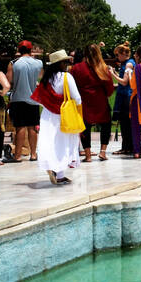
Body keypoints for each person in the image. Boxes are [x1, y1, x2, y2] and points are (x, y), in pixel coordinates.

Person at [31, 48, 84, 184]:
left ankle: (56, 171)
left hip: (48, 115)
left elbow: (40, 99)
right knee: (64, 144)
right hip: (64, 115)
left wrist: (50, 106)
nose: (67, 64)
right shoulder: (67, 77)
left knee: (50, 143)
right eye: (65, 62)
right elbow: (77, 98)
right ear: (60, 63)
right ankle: (59, 173)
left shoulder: (46, 79)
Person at [72, 43, 115, 163]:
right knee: (106, 125)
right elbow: (110, 88)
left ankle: (88, 155)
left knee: (85, 127)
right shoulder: (103, 68)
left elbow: (72, 85)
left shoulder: (76, 68)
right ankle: (102, 152)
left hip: (84, 101)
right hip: (100, 100)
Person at [7, 40, 43, 162]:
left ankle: (17, 156)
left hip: (18, 98)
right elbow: (40, 77)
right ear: (30, 50)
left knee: (20, 127)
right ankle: (33, 154)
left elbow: (9, 81)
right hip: (33, 98)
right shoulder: (38, 63)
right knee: (32, 127)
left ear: (19, 50)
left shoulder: (14, 63)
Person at [111, 43, 136, 156]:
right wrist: (116, 73)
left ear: (122, 54)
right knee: (125, 123)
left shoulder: (128, 64)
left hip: (126, 96)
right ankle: (127, 146)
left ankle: (127, 147)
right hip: (125, 95)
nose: (117, 57)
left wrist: (113, 75)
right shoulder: (126, 64)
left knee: (126, 123)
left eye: (118, 55)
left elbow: (125, 82)